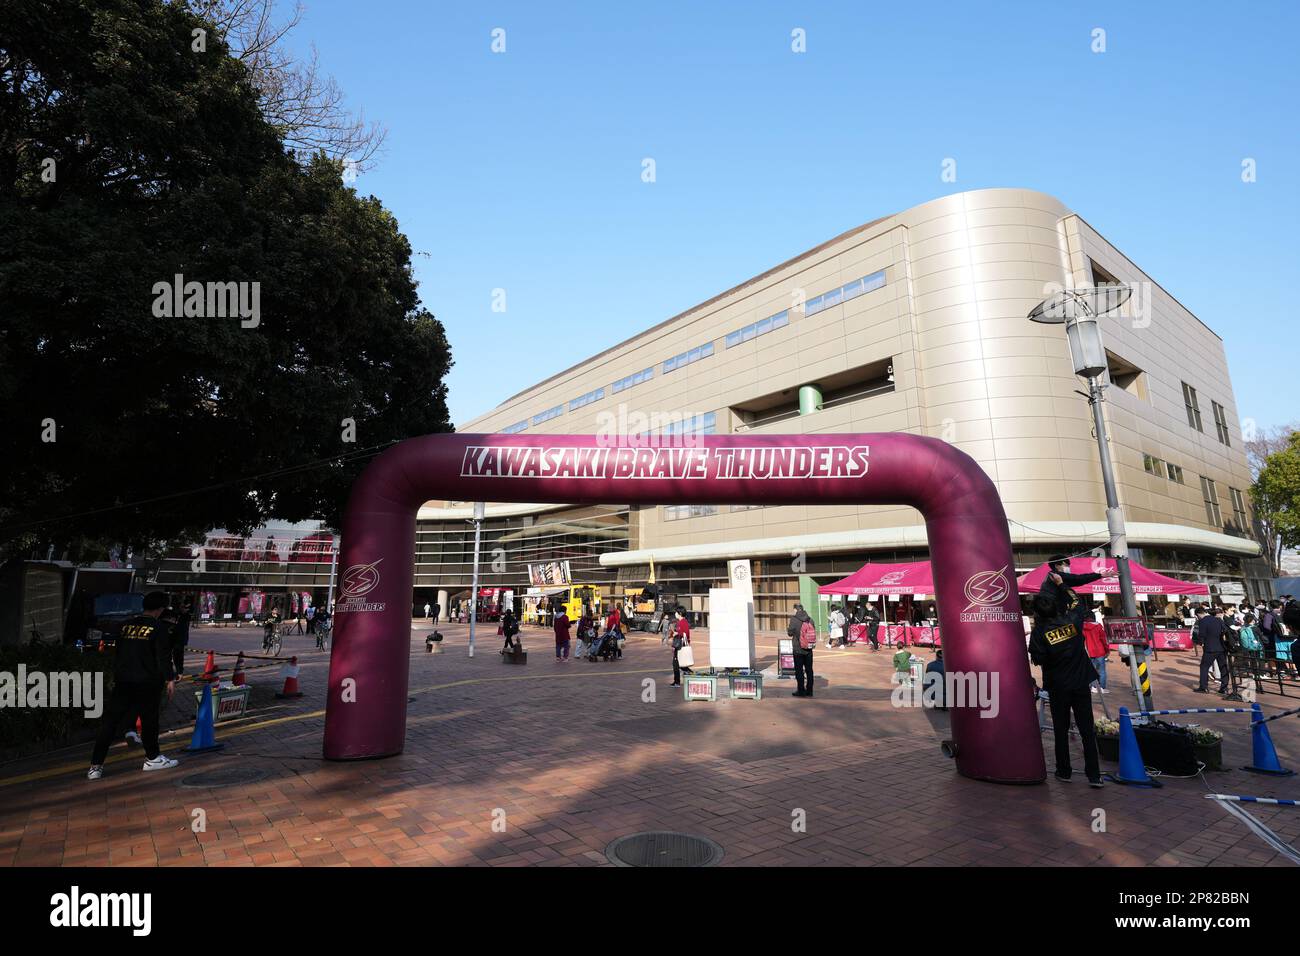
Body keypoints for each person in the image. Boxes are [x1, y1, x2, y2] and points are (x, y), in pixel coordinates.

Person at [88, 591, 178, 779]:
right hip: (147, 682)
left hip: (124, 680)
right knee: (149, 721)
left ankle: (95, 766)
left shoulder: (126, 625)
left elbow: (118, 652)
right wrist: (170, 679)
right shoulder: (159, 628)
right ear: (161, 609)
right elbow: (162, 657)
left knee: (110, 723)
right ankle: (152, 758)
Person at [1028, 592, 1103, 788]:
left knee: (1060, 730)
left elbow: (1038, 658)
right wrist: (1062, 586)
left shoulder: (1039, 633)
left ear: (1037, 613)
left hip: (1058, 686)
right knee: (1087, 730)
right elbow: (1078, 603)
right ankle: (1094, 775)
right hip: (1080, 683)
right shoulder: (1072, 621)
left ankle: (1064, 771)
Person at [1193, 606, 1231, 695]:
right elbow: (1225, 630)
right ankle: (1224, 688)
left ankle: (1203, 687)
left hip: (1210, 648)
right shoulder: (1218, 620)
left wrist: (1201, 642)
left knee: (1204, 667)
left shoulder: (1202, 621)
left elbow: (1201, 634)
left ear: (1198, 614)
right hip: (1221, 647)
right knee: (1223, 667)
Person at [786, 603, 816, 698]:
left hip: (798, 649)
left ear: (795, 610)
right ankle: (809, 691)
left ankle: (801, 690)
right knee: (809, 670)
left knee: (799, 670)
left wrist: (789, 629)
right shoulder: (810, 619)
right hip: (808, 648)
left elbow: (790, 633)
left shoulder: (794, 619)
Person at [1082, 612, 1109, 694]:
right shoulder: (1098, 626)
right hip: (1099, 651)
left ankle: (1093, 687)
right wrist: (1107, 650)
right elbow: (1103, 640)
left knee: (1091, 671)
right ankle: (1102, 688)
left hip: (1089, 652)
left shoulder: (1082, 627)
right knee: (1102, 671)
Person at [670, 607, 692, 686]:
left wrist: (677, 633)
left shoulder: (683, 622)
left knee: (677, 663)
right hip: (678, 645)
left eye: (676, 612)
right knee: (677, 663)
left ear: (680, 613)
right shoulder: (679, 622)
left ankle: (678, 681)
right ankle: (677, 681)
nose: (675, 614)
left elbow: (685, 633)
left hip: (681, 645)